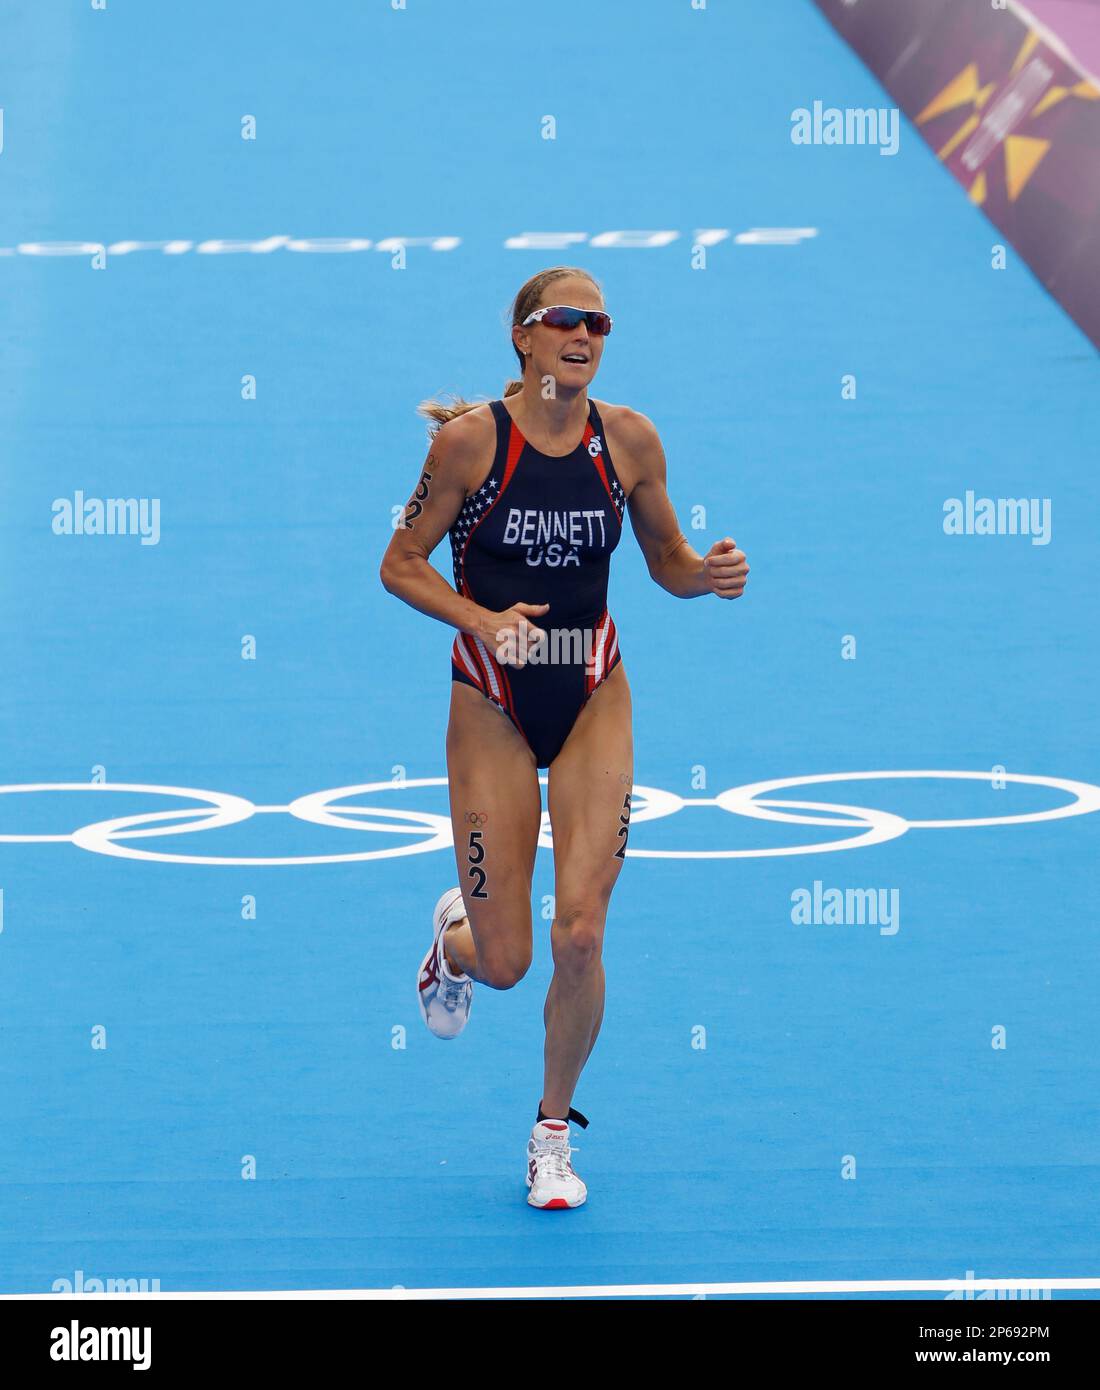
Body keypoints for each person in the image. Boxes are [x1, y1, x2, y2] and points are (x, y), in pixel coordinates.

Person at [379, 266, 749, 1208]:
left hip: (592, 694)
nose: (585, 335)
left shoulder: (627, 440)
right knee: (508, 963)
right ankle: (450, 941)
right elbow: (400, 564)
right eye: (565, 320)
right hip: (494, 699)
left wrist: (703, 575)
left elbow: (665, 557)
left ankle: (551, 1136)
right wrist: (479, 618)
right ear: (523, 338)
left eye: (600, 323)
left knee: (580, 934)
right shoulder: (470, 446)